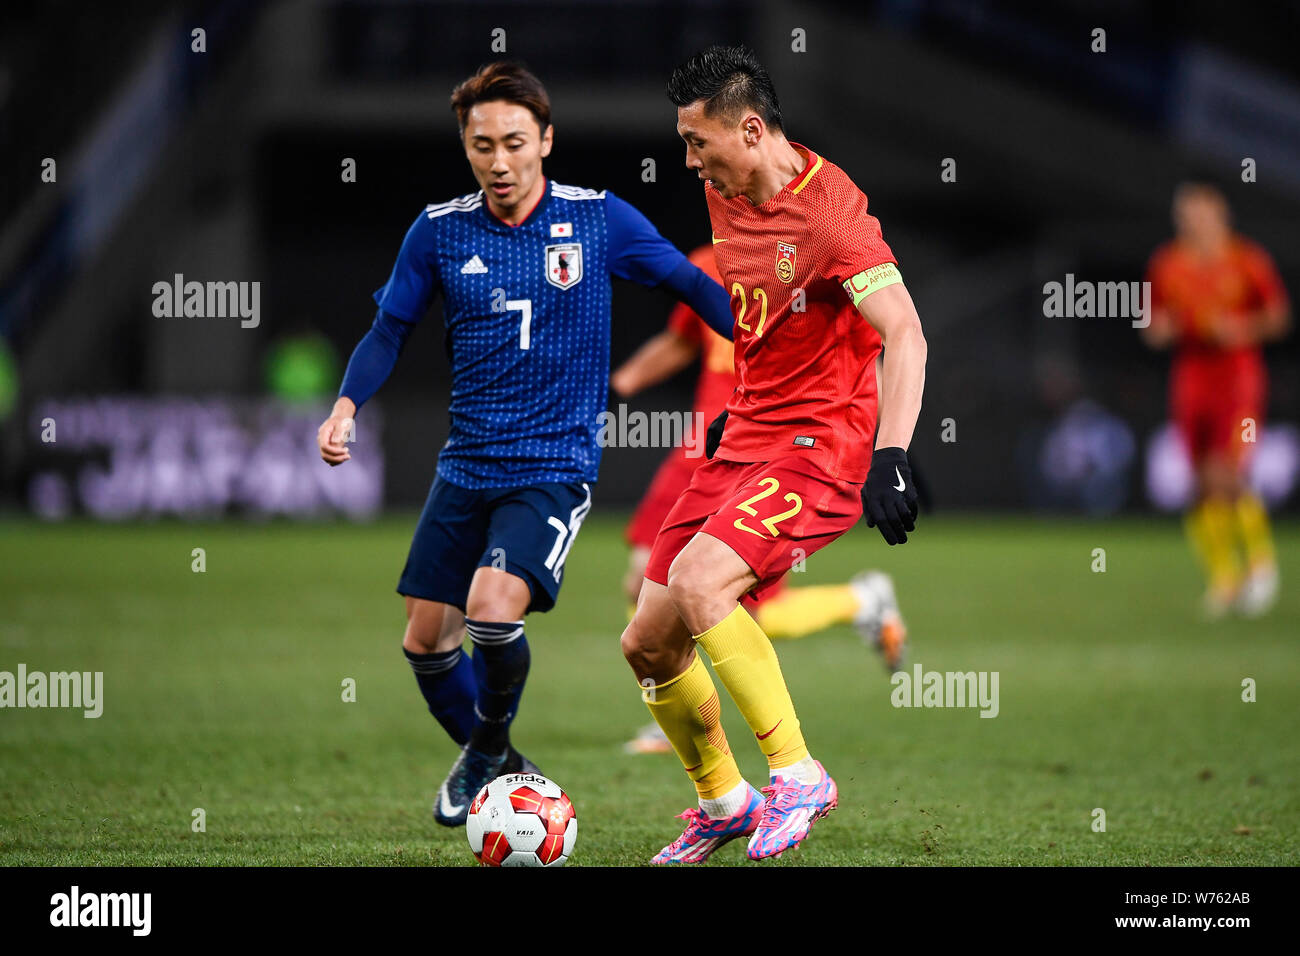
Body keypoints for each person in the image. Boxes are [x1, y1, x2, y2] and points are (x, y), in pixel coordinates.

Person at [317, 61, 734, 827]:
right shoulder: (439, 230)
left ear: (545, 139)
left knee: (490, 610)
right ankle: (510, 769)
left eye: (513, 141)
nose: (498, 161)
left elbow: (691, 284)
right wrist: (346, 405)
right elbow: (389, 330)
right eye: (482, 146)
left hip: (550, 467)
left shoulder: (599, 219)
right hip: (465, 466)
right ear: (466, 146)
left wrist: (775, 345)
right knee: (424, 643)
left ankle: (484, 751)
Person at [620, 46, 927, 863]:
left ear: (750, 129)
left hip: (821, 444)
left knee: (700, 583)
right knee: (647, 641)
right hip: (747, 433)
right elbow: (761, 314)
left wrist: (890, 456)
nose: (688, 162)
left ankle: (797, 775)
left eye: (697, 142)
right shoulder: (730, 192)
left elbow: (904, 330)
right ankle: (723, 799)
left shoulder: (832, 214)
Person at [614, 243, 908, 756]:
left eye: (703, 155)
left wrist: (889, 445)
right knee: (647, 579)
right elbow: (682, 340)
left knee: (738, 606)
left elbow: (871, 351)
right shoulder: (708, 264)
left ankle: (859, 604)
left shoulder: (818, 249)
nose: (697, 164)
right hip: (706, 443)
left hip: (778, 448)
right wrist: (623, 383)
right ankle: (681, 717)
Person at [1143, 182, 1290, 617]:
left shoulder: (1247, 260)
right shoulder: (1168, 263)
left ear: (1220, 215)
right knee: (1201, 483)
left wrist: (1240, 329)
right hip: (1192, 377)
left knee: (1228, 472)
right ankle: (1225, 580)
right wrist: (1160, 329)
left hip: (1238, 377)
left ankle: (1261, 568)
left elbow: (1278, 318)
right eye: (1185, 215)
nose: (1192, 222)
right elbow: (1152, 323)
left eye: (1199, 214)